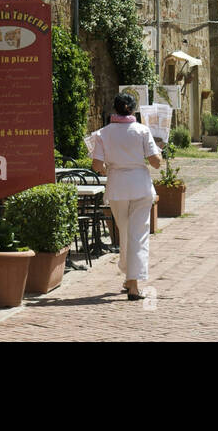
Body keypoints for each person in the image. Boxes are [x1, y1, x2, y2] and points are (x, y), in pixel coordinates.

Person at [88, 92, 163, 300]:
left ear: (115, 108)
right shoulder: (142, 131)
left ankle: (130, 278)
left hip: (117, 186)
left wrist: (109, 167)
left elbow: (97, 166)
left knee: (125, 232)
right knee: (138, 234)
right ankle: (133, 284)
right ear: (133, 109)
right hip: (140, 185)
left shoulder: (102, 133)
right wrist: (160, 150)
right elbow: (156, 162)